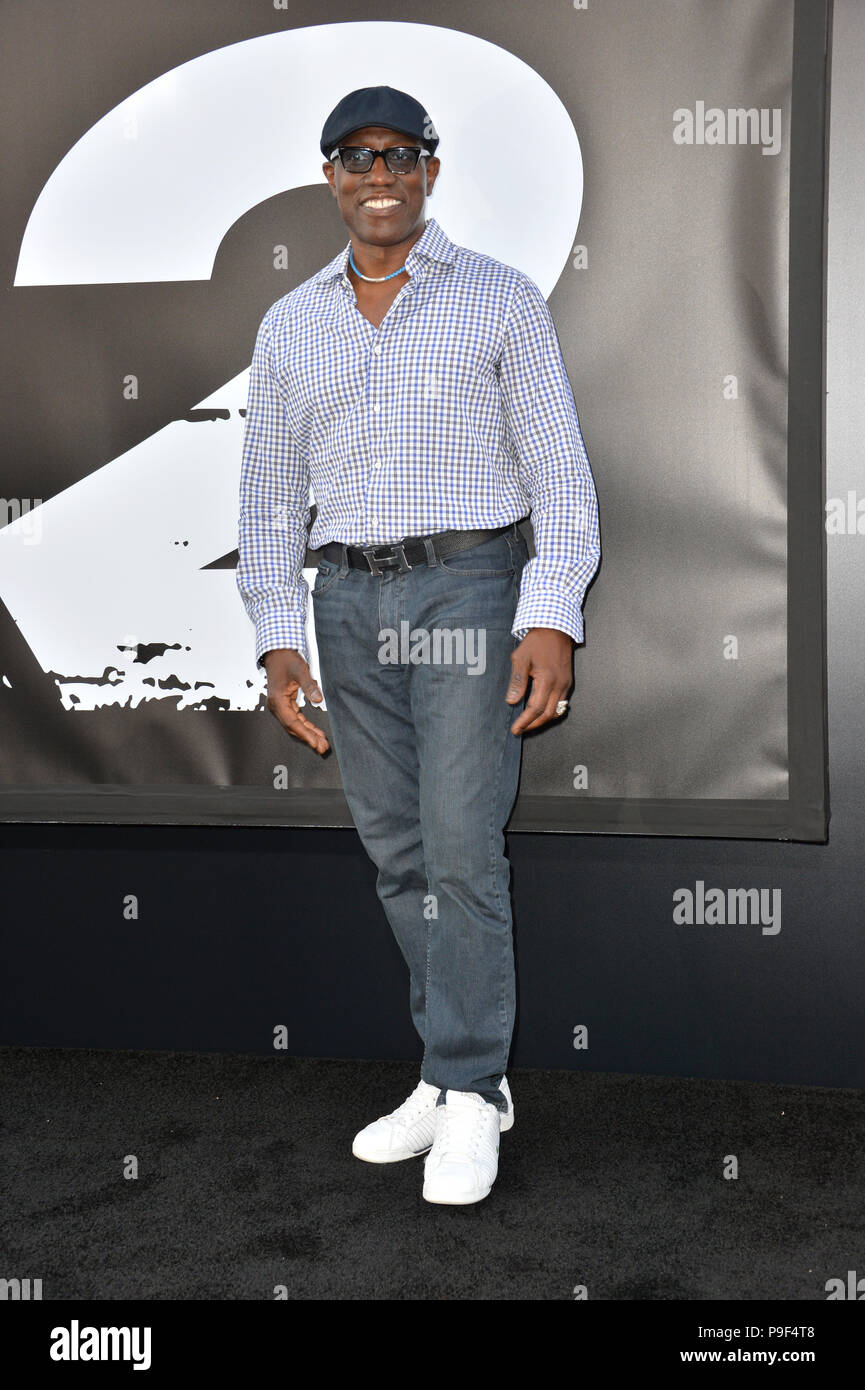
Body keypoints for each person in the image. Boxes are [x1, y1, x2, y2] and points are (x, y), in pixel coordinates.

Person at [236, 85, 600, 1205]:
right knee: (399, 852)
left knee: (458, 846)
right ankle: (455, 1078)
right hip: (346, 602)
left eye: (400, 154)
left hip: (466, 591)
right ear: (331, 179)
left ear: (431, 172)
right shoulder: (289, 323)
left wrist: (549, 610)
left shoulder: (498, 301)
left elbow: (559, 473)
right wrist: (275, 636)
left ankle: (471, 1079)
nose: (378, 173)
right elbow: (268, 498)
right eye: (356, 156)